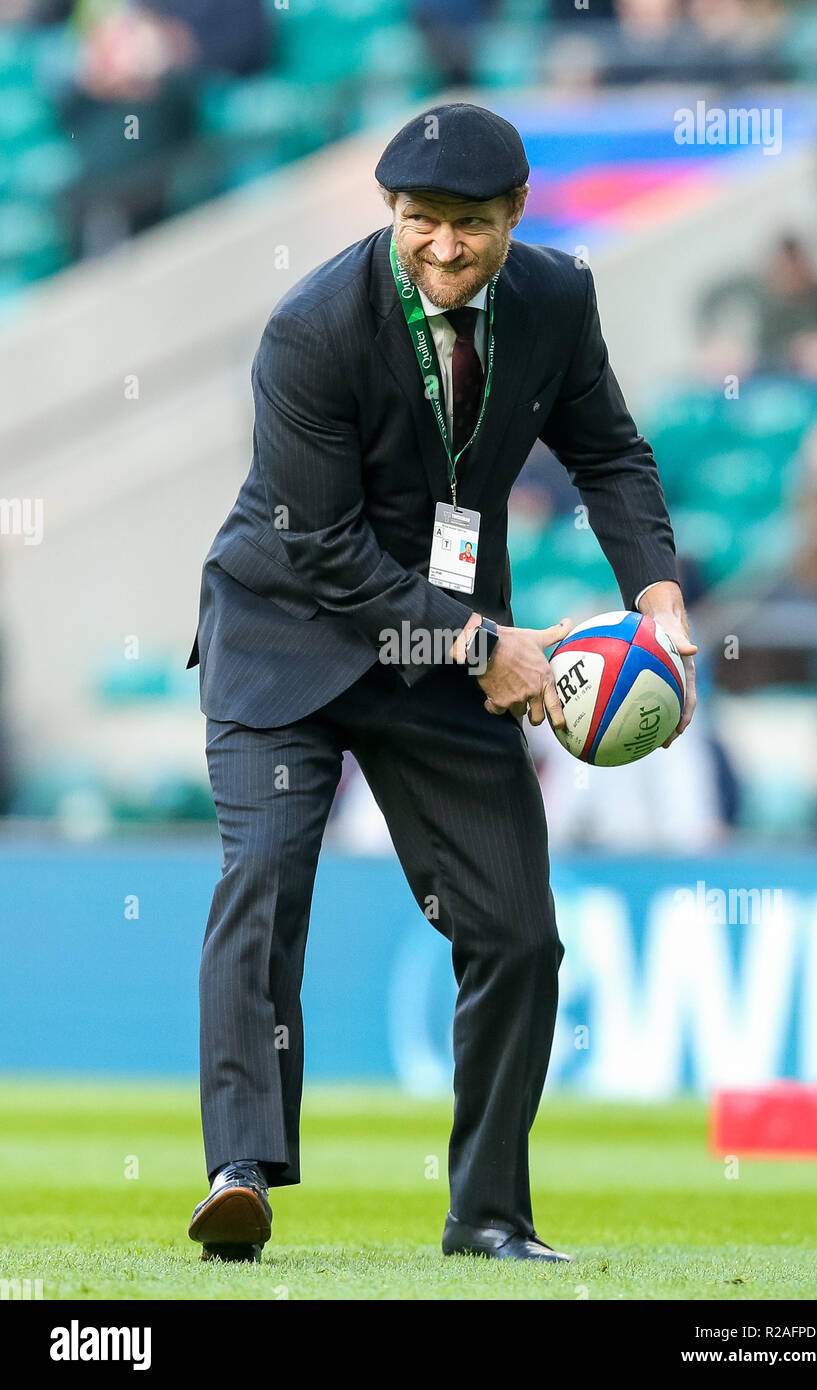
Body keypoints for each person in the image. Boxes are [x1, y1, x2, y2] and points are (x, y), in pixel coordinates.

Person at [185, 102, 696, 1265]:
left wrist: (656, 595)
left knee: (517, 932)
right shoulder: (312, 327)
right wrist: (486, 648)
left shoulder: (559, 298)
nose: (443, 247)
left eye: (469, 224)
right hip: (289, 640)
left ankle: (488, 1215)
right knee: (262, 877)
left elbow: (607, 450)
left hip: (442, 652)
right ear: (390, 214)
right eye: (419, 222)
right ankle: (240, 1172)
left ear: (515, 211)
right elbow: (318, 549)